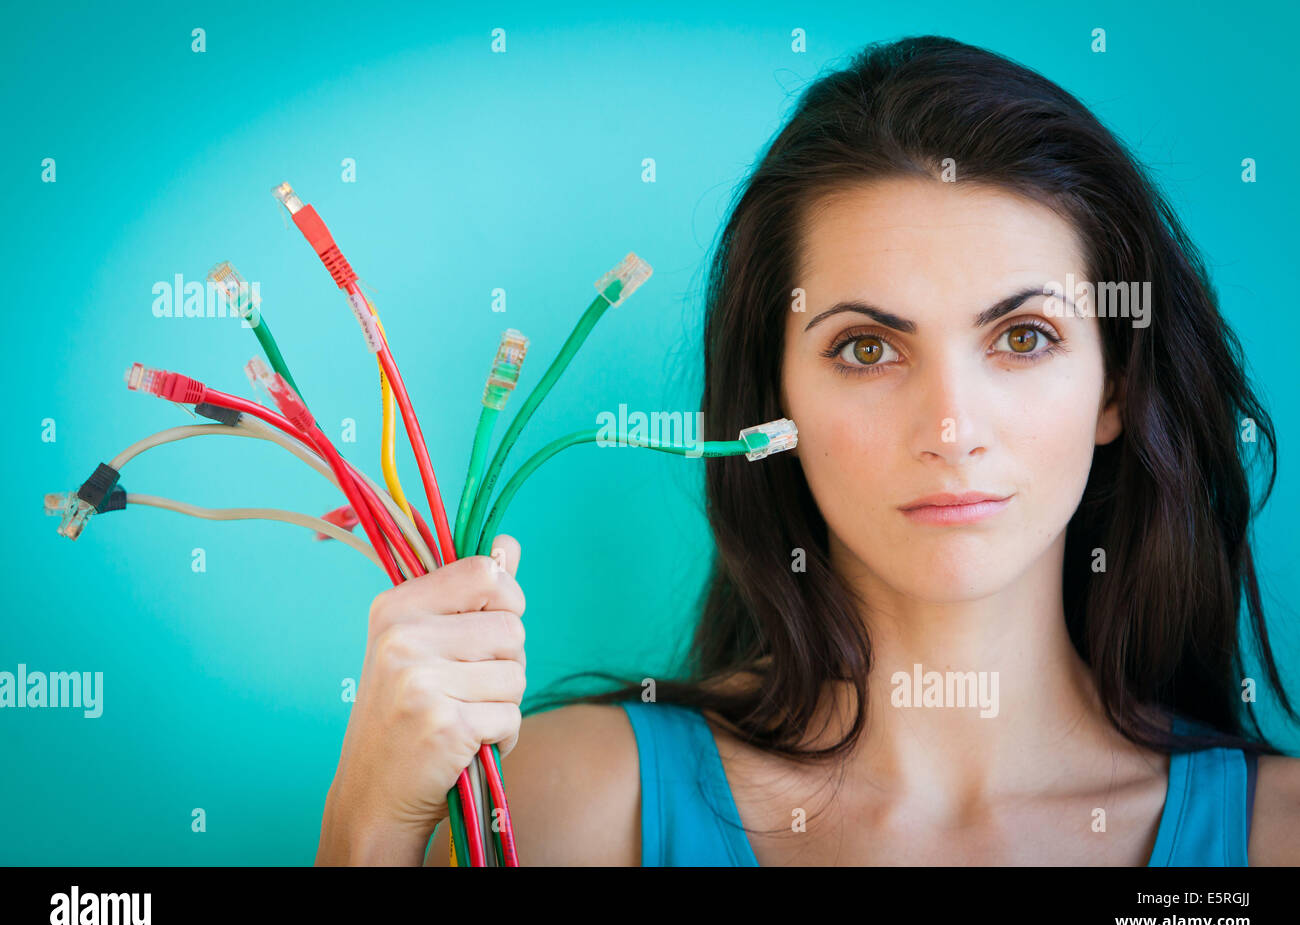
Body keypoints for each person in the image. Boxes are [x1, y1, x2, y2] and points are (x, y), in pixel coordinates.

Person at [315, 35, 1300, 866]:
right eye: (866, 348)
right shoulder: (567, 805)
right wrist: (370, 821)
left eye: (1022, 336)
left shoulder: (1277, 836)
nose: (951, 427)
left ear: (1114, 386)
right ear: (771, 399)